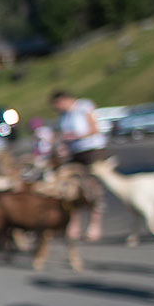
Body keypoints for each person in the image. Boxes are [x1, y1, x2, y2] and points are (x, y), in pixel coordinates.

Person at [51, 90, 107, 242]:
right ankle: (74, 224)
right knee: (72, 187)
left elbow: (94, 128)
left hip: (91, 150)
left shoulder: (84, 107)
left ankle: (95, 225)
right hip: (74, 152)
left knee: (93, 186)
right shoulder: (64, 116)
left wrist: (76, 136)